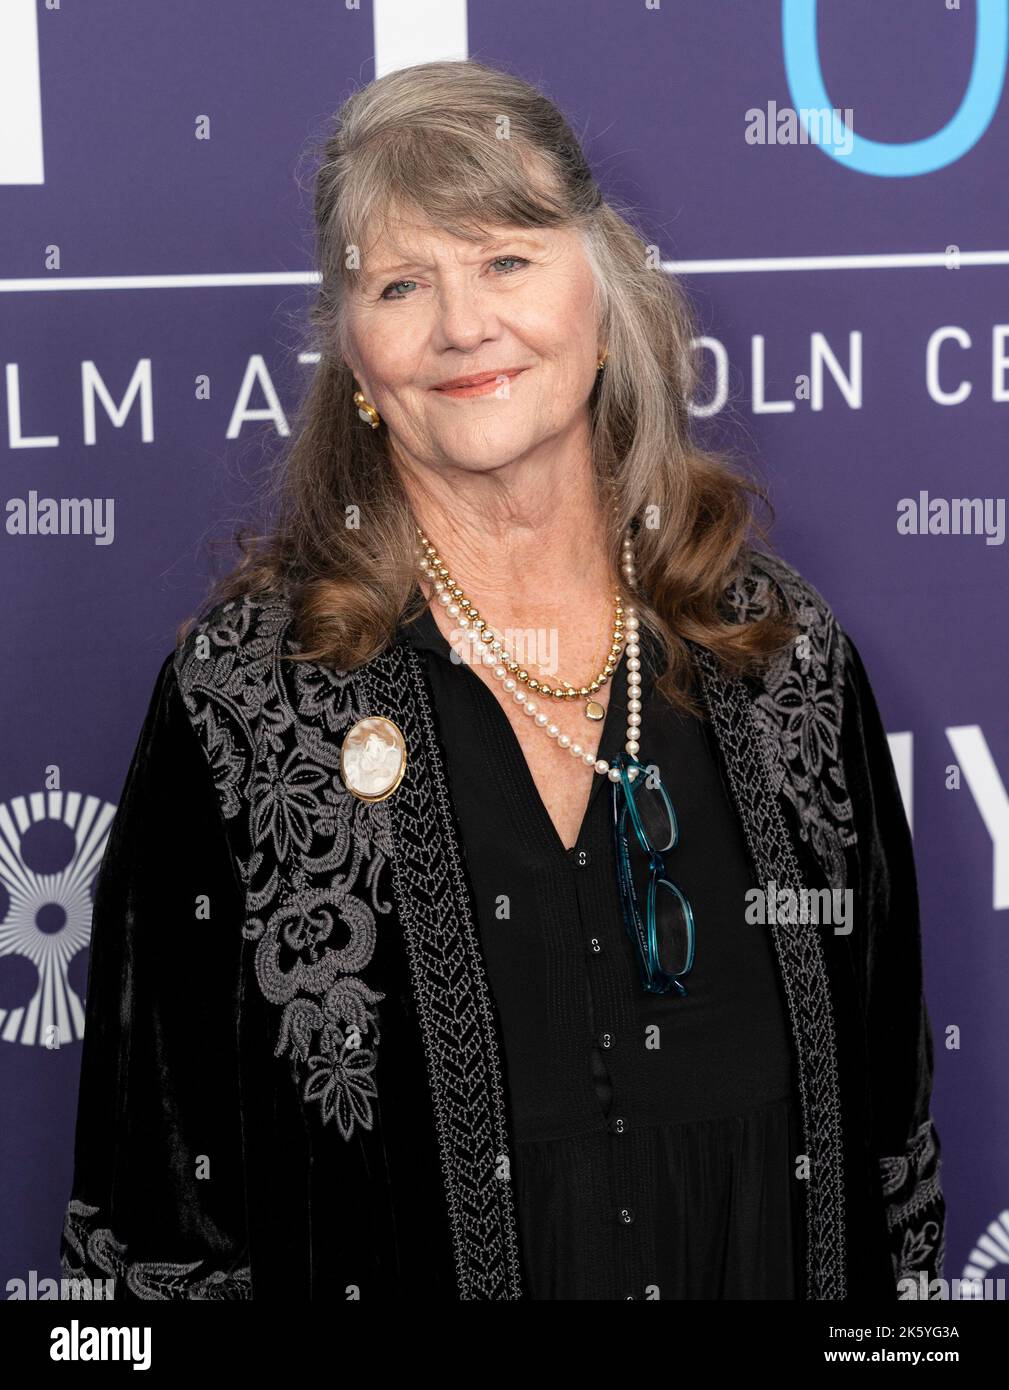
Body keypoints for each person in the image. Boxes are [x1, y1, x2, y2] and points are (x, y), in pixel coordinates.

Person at [59, 57, 944, 1301]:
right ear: (353, 361)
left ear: (605, 289)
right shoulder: (244, 707)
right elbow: (156, 1227)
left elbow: (889, 1155)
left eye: (507, 258)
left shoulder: (782, 663)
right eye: (402, 282)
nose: (463, 324)